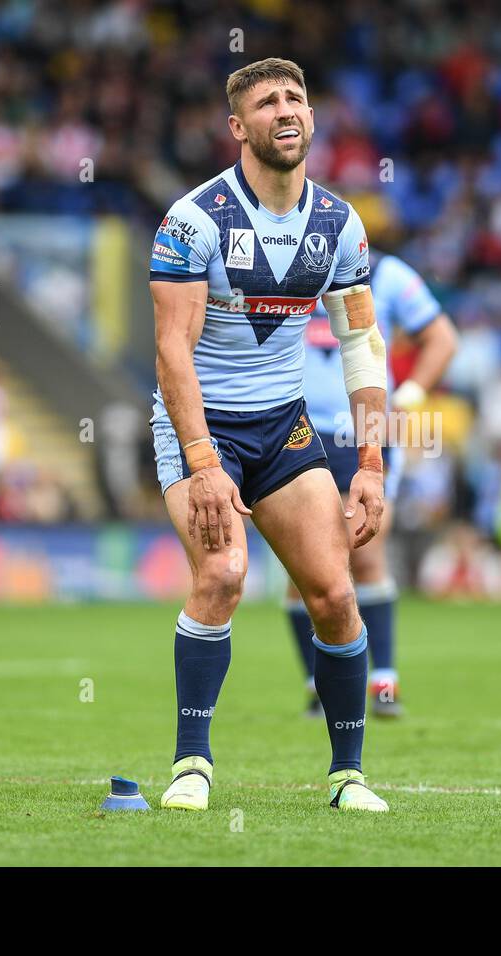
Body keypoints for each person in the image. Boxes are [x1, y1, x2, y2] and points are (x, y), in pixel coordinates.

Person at [148, 58, 389, 812]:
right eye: (267, 102)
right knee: (221, 575)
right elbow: (171, 353)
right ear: (238, 127)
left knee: (333, 594)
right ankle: (192, 764)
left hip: (284, 428)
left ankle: (348, 777)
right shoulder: (194, 220)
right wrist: (203, 461)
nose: (286, 110)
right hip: (199, 427)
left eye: (296, 98)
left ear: (311, 118)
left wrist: (373, 461)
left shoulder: (340, 225)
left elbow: (360, 346)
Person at [285, 248, 456, 718]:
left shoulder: (388, 273)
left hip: (363, 428)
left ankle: (384, 683)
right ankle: (318, 685)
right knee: (301, 564)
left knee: (366, 550)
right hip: (294, 429)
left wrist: (409, 395)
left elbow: (443, 338)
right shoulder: (282, 266)